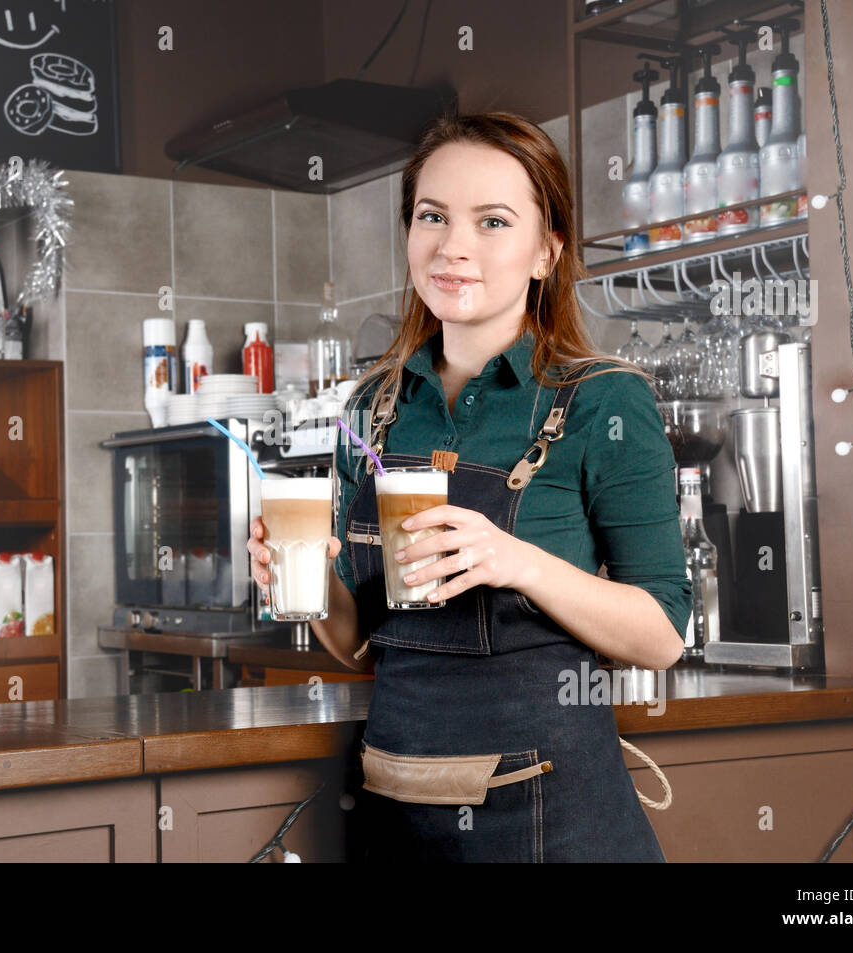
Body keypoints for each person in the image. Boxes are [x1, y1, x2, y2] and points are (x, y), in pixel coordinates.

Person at [247, 111, 691, 862]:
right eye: (431, 217)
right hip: (396, 807)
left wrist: (513, 560)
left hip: (556, 820)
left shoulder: (604, 401)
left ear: (547, 251)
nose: (452, 246)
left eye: (492, 221)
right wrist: (306, 578)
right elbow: (358, 643)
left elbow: (663, 634)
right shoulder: (372, 408)